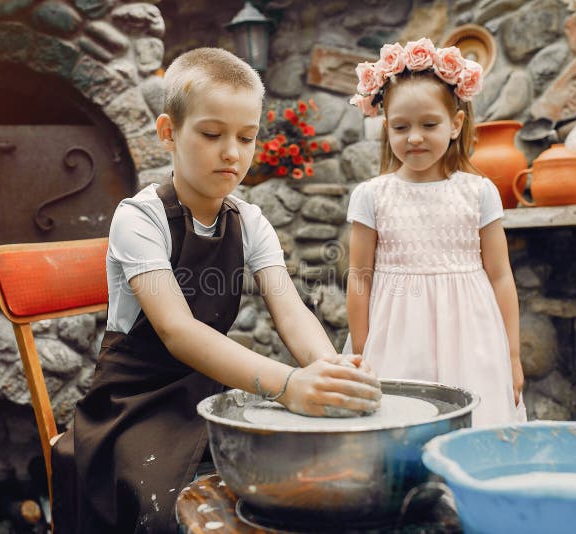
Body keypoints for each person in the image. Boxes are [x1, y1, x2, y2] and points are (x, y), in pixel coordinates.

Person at [51, 47, 383, 534]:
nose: (232, 152)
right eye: (212, 134)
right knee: (176, 512)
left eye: (246, 137)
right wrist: (288, 385)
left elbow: (290, 310)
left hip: (207, 395)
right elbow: (178, 331)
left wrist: (329, 370)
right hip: (132, 407)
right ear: (168, 132)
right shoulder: (138, 219)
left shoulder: (250, 221)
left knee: (297, 475)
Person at [344, 38, 527, 427]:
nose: (414, 137)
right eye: (401, 127)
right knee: (399, 426)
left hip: (471, 337)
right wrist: (360, 350)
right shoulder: (371, 196)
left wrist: (512, 356)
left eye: (429, 125)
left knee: (475, 427)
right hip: (396, 338)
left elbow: (500, 275)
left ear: (455, 125)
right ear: (386, 127)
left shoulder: (479, 192)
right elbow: (360, 278)